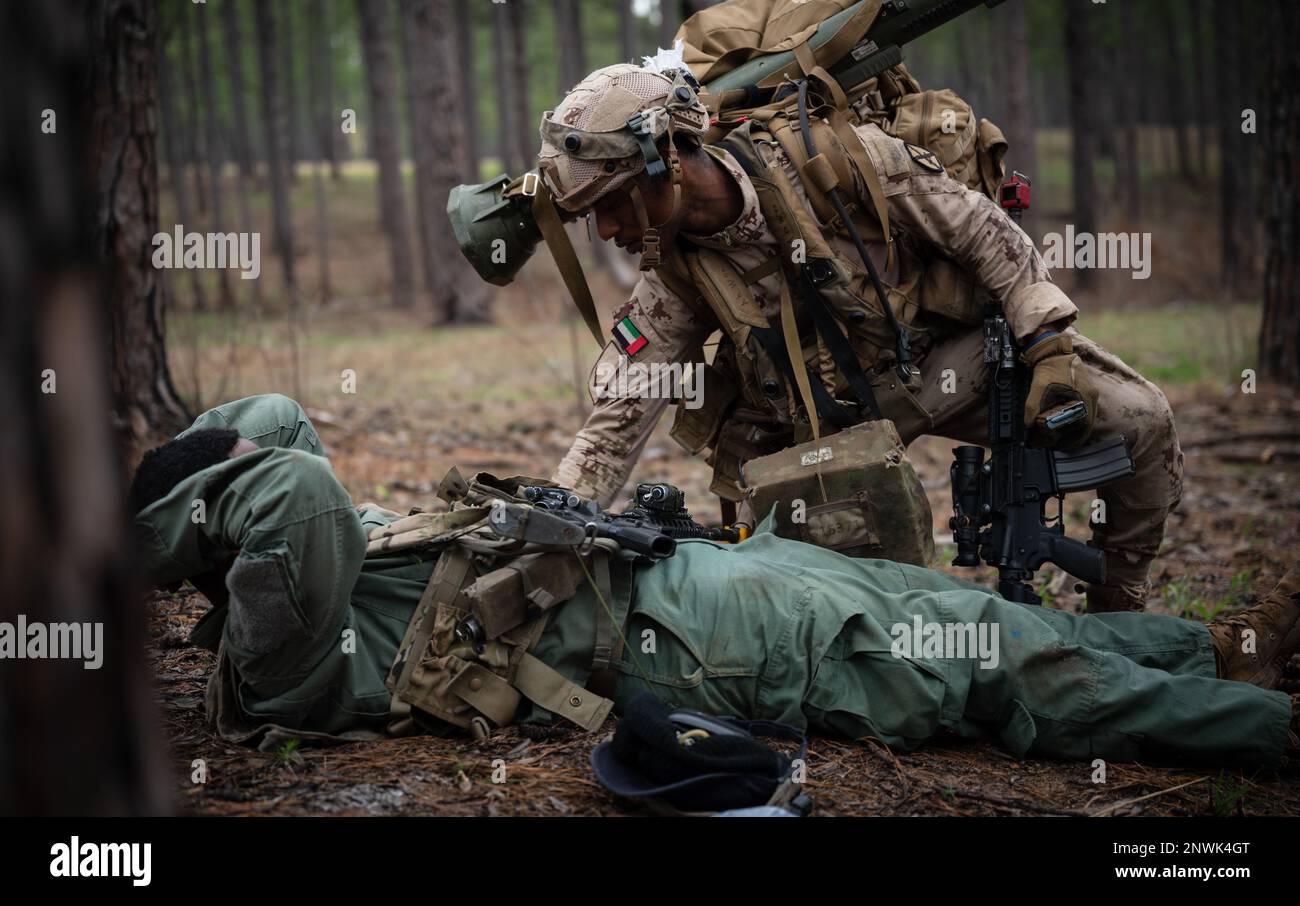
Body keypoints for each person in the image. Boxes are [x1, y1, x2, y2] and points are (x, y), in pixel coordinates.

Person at [132, 394, 1298, 769]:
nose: (268, 458)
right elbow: (286, 483)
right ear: (211, 536)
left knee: (987, 614)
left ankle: (1239, 656)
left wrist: (192, 467)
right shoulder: (274, 652)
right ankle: (1268, 727)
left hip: (719, 576)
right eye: (222, 492)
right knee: (1011, 676)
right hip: (706, 649)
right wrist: (124, 537)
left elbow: (270, 434)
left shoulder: (312, 553)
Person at [532, 60, 1183, 613]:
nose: (607, 229)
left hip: (938, 367)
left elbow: (986, 234)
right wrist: (553, 524)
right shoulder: (673, 274)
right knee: (831, 626)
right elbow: (615, 421)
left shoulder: (840, 163)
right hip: (816, 436)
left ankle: (1119, 615)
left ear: (666, 161)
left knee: (1141, 419)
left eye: (613, 201)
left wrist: (1046, 348)